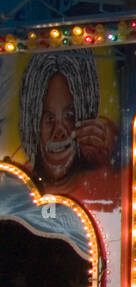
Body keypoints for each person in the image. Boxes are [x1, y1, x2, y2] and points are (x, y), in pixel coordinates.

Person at [17, 51, 118, 201]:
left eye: (69, 117)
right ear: (32, 124)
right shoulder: (18, 186)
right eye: (49, 118)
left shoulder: (108, 178)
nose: (60, 132)